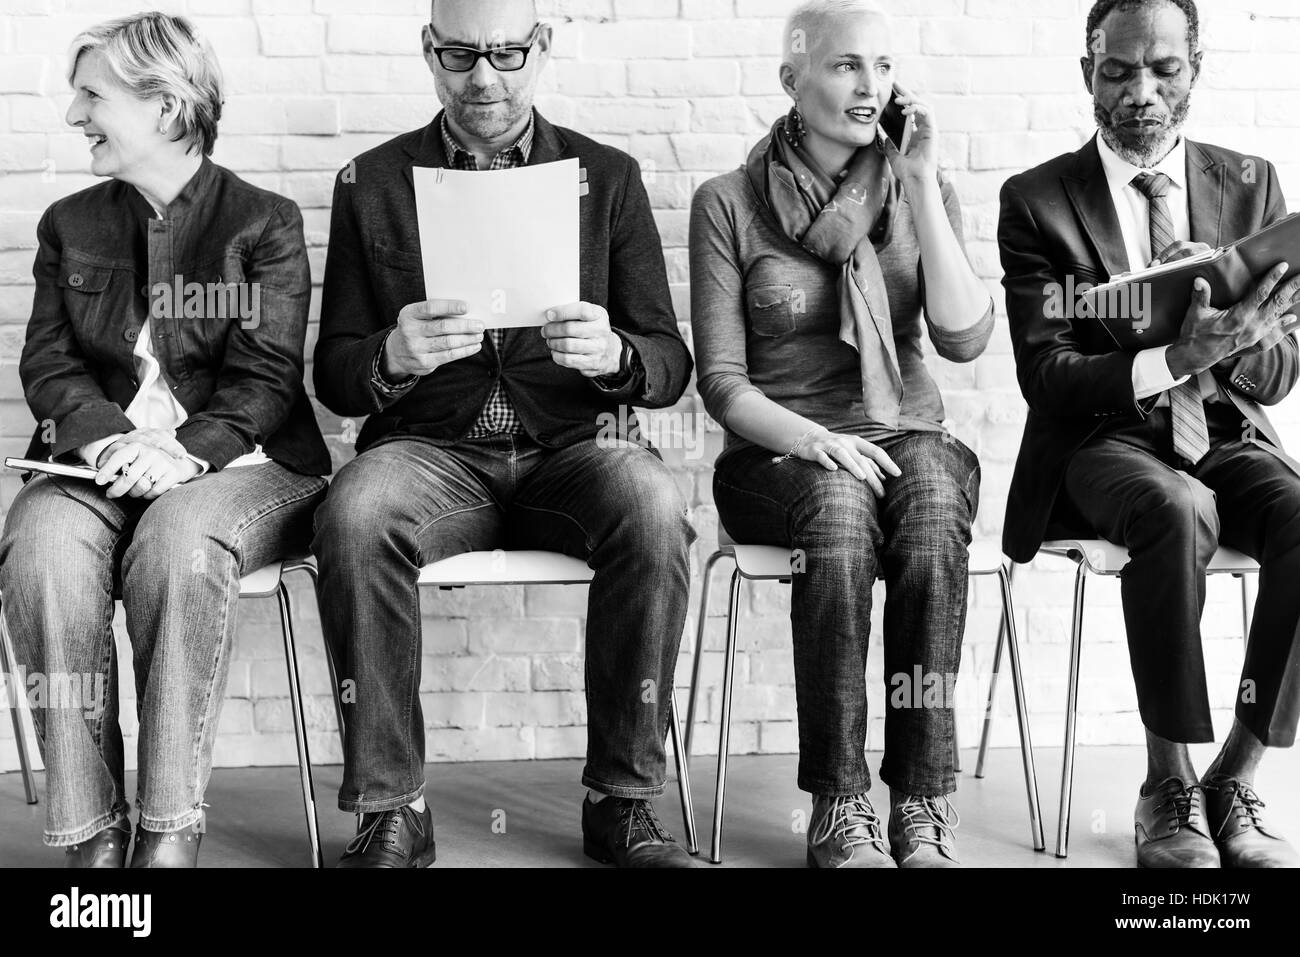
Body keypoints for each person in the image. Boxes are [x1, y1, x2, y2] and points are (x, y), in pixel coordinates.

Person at [311, 0, 696, 868]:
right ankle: (392, 809)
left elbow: (670, 361)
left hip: (573, 449)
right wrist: (392, 355)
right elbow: (333, 371)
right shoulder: (370, 181)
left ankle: (622, 802)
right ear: (428, 50)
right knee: (353, 510)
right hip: (431, 455)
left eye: (506, 53)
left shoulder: (610, 176)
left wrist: (615, 356)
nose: (482, 76)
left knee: (653, 502)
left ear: (542, 48)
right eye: (459, 53)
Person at [0, 12, 331, 868]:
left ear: (165, 104)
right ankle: (91, 832)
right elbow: (50, 362)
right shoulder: (69, 224)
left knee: (179, 539)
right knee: (38, 542)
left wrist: (181, 453)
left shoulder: (263, 223)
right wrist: (112, 442)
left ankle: (168, 826)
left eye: (92, 95)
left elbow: (264, 382)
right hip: (101, 463)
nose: (74, 115)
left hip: (244, 467)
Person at [691, 0, 994, 869]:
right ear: (792, 79)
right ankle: (840, 800)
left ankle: (923, 801)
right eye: (846, 65)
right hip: (776, 452)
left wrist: (927, 181)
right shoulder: (729, 203)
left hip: (907, 434)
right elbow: (722, 384)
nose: (871, 86)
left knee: (932, 499)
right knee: (835, 504)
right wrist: (816, 440)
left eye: (884, 68)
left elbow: (965, 337)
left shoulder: (917, 187)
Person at [1000, 0, 1300, 868]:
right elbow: (1046, 375)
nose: (1142, 91)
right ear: (1087, 72)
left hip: (1225, 429)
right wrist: (1171, 352)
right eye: (1119, 70)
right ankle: (1165, 783)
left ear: (1195, 70)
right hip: (1103, 440)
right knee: (1175, 507)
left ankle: (1234, 773)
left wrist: (1237, 344)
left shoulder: (1253, 185)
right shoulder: (1037, 201)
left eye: (1164, 69)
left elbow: (1283, 374)